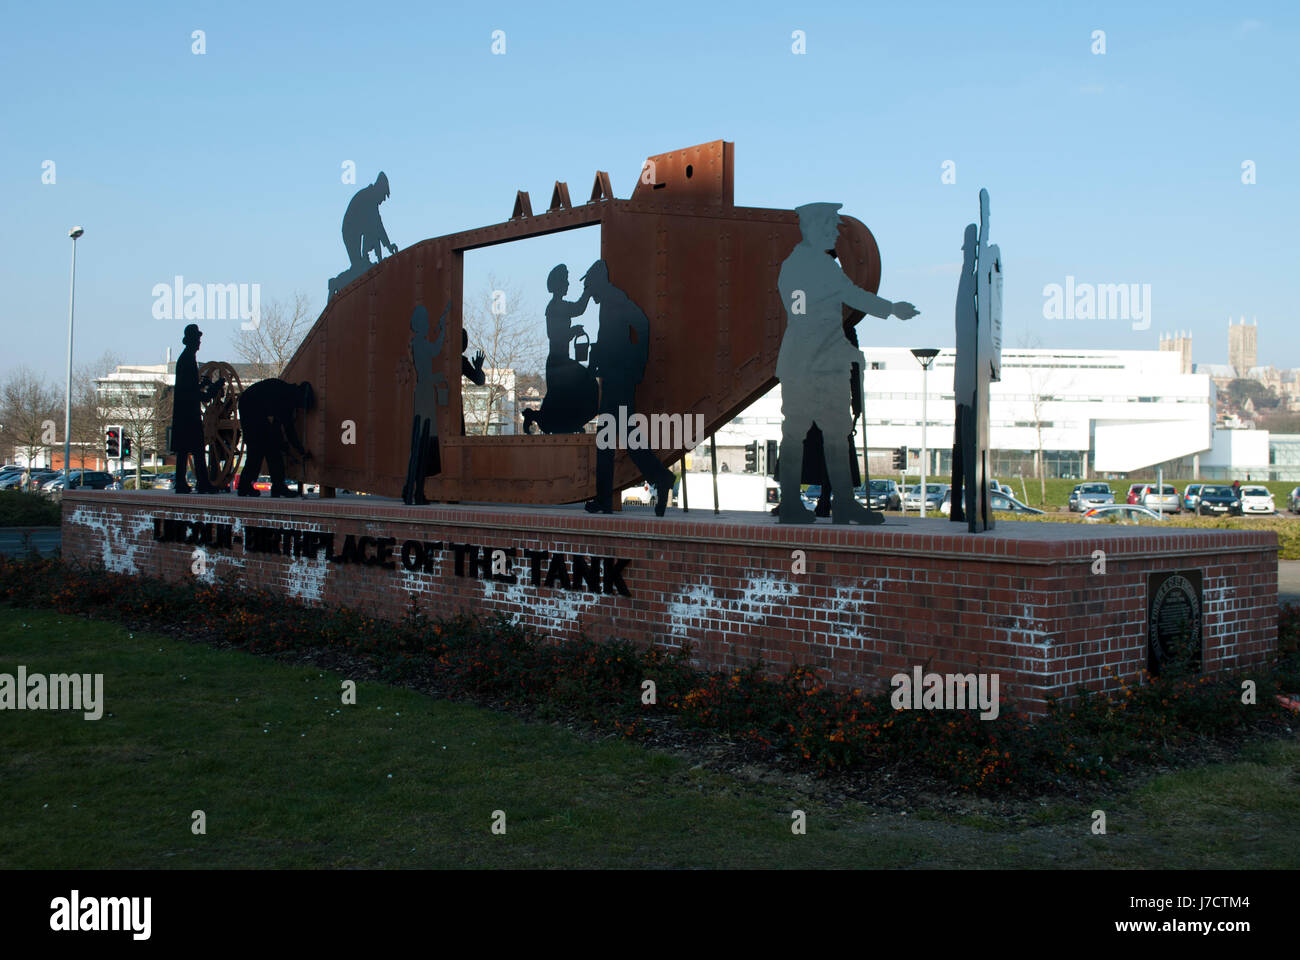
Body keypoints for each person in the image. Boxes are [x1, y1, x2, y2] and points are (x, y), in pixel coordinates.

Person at [775, 203, 917, 524]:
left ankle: (841, 502)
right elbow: (801, 315)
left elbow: (853, 296)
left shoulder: (824, 268)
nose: (834, 234)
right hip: (806, 364)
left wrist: (892, 309)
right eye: (829, 227)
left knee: (835, 433)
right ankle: (792, 503)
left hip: (828, 364)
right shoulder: (798, 267)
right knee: (797, 432)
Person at [581, 260, 674, 516]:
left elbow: (641, 324)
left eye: (590, 287)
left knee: (612, 440)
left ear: (598, 282)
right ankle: (658, 479)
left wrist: (635, 363)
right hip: (615, 379)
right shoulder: (609, 301)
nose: (590, 293)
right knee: (615, 440)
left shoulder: (614, 299)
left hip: (618, 381)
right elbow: (608, 339)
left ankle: (658, 479)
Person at [523, 264, 598, 434]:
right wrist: (587, 291)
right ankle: (566, 423)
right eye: (565, 281)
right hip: (559, 362)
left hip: (559, 362)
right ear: (559, 284)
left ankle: (561, 422)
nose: (568, 284)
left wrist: (572, 331)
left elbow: (575, 311)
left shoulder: (555, 306)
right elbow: (577, 310)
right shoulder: (556, 306)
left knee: (561, 400)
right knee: (588, 387)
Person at [402, 303, 449, 504]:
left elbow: (434, 350)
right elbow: (435, 351)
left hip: (423, 393)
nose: (429, 325)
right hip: (425, 395)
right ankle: (417, 491)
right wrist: (443, 330)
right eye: (426, 322)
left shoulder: (417, 343)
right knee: (424, 444)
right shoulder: (420, 344)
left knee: (419, 444)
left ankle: (410, 489)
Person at [237, 379, 313, 497]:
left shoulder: (286, 392)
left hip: (251, 406)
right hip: (251, 408)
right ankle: (274, 486)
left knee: (266, 449)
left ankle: (247, 486)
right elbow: (288, 429)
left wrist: (285, 444)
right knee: (260, 450)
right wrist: (300, 450)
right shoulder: (287, 398)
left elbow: (278, 428)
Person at [171, 324, 219, 494]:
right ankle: (202, 483)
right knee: (197, 449)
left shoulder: (185, 358)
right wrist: (213, 390)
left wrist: (202, 386)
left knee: (184, 450)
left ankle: (182, 482)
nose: (199, 342)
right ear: (192, 340)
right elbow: (192, 392)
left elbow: (189, 388)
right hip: (189, 414)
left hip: (184, 413)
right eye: (198, 339)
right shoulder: (188, 360)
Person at [342, 172, 397, 272]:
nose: (383, 199)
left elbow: (377, 226)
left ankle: (365, 260)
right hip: (350, 232)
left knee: (361, 265)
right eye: (383, 195)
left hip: (357, 230)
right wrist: (387, 247)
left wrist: (388, 246)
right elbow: (378, 227)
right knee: (357, 267)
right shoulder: (368, 198)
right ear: (379, 190)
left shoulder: (370, 197)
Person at [460, 330, 485, 435]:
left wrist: (478, 368)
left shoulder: (462, 361)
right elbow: (479, 380)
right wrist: (478, 368)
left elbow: (479, 380)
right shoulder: (461, 361)